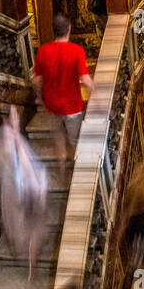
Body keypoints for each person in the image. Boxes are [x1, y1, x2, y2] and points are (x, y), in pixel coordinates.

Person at [32, 13, 94, 181]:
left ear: (54, 30)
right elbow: (86, 79)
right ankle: (75, 174)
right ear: (69, 29)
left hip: (52, 106)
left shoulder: (43, 51)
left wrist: (40, 98)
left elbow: (37, 80)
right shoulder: (76, 50)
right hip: (72, 107)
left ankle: (60, 167)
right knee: (74, 141)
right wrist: (98, 94)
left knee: (59, 136)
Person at [0, 106, 49, 276]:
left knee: (28, 222)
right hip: (21, 191)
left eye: (16, 115)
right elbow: (21, 164)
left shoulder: (6, 137)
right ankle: (28, 255)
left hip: (21, 190)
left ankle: (28, 254)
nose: (16, 118)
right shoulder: (7, 138)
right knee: (27, 222)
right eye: (13, 116)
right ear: (6, 120)